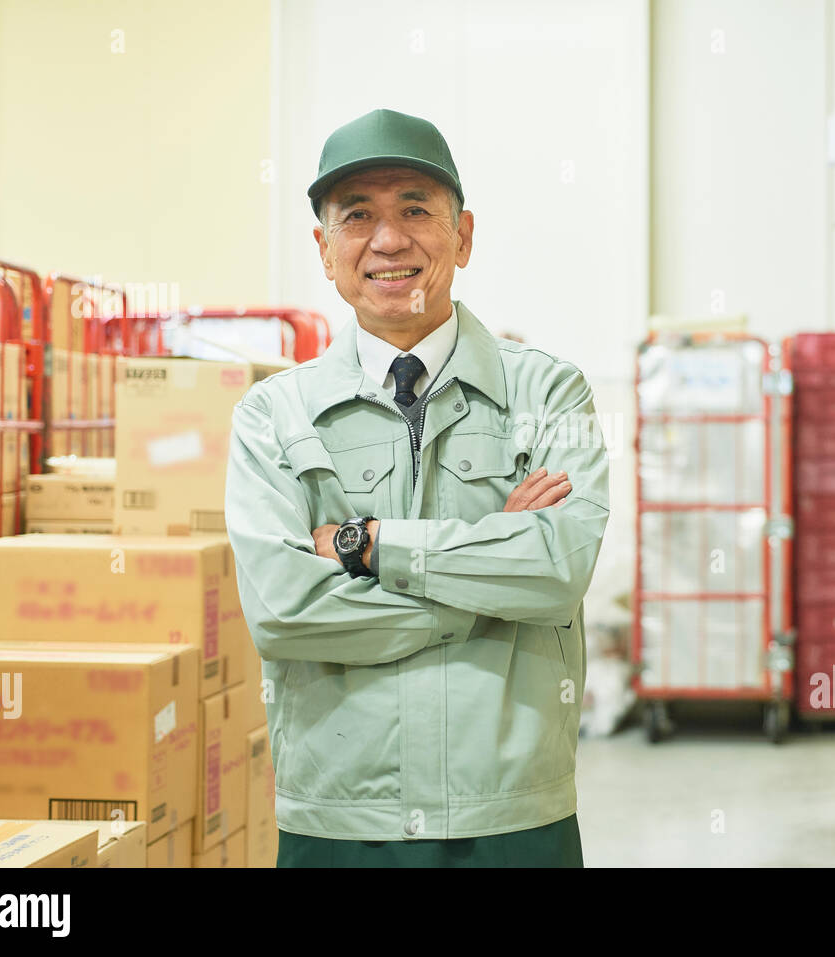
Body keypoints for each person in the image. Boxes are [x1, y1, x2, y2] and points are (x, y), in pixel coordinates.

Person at [224, 108, 610, 867]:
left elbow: (557, 570)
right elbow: (283, 610)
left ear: (463, 236)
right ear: (325, 249)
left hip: (512, 814)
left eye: (415, 210)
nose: (389, 240)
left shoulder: (551, 394)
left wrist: (366, 544)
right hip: (340, 820)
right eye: (358, 215)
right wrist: (488, 588)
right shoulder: (272, 415)